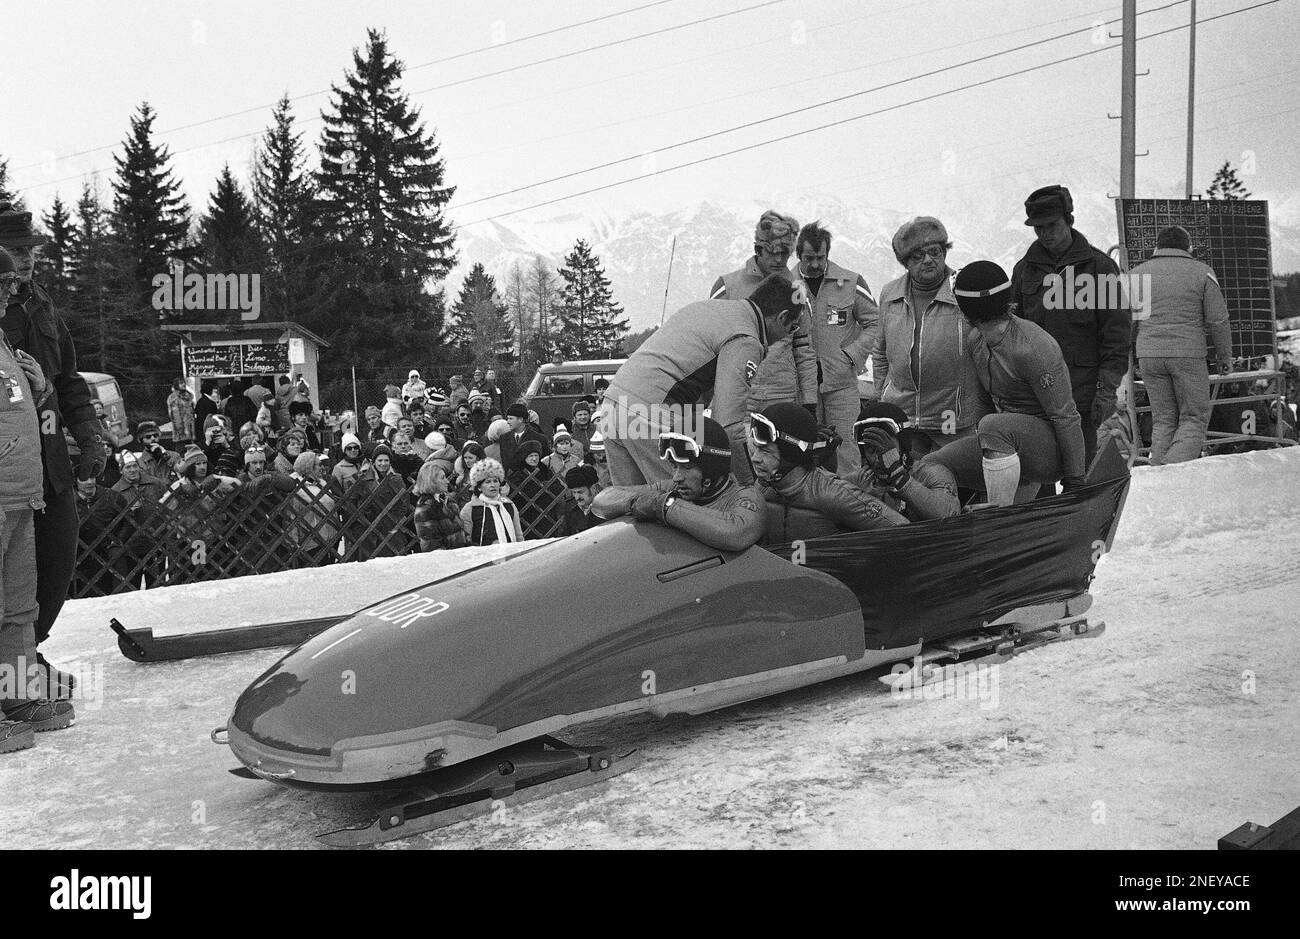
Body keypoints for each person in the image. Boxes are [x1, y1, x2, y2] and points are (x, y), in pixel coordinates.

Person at [1, 214, 107, 702]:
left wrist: (90, 435)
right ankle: (13, 683)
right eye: (15, 250)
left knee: (54, 564)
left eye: (30, 250)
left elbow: (68, 380)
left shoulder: (43, 304)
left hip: (46, 459)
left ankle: (24, 665)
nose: (26, 259)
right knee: (10, 584)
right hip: (7, 465)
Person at [601, 273, 804, 487]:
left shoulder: (707, 308)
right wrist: (748, 487)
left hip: (613, 402)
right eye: (793, 327)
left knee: (631, 506)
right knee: (683, 501)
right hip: (651, 411)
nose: (789, 334)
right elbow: (729, 425)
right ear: (782, 318)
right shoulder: (746, 339)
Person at [923, 260, 1086, 506]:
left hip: (1050, 453)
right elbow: (982, 404)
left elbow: (1065, 416)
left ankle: (999, 515)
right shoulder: (976, 341)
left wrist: (1075, 480)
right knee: (931, 464)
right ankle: (949, 517)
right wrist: (986, 451)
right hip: (1002, 443)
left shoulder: (1033, 347)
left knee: (993, 425)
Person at [1009, 185, 1131, 462]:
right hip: (1035, 395)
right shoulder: (1023, 270)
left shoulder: (1099, 268)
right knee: (1037, 473)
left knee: (1081, 473)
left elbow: (1117, 333)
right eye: (1038, 228)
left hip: (1083, 397)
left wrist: (1106, 389)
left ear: (1069, 220)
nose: (1046, 234)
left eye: (1052, 225)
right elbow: (1012, 332)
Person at [0, 306, 76, 748]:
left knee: (18, 608)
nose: (9, 296)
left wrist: (41, 389)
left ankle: (15, 696)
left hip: (20, 496)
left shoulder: (5, 346)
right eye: (2, 285)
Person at [872, 216, 989, 450]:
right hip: (903, 417)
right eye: (918, 255)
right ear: (905, 262)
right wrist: (881, 395)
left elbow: (988, 350)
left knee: (954, 480)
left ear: (945, 252)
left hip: (952, 418)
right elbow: (880, 352)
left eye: (935, 252)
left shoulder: (964, 291)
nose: (928, 260)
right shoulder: (890, 294)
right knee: (910, 481)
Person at [1128, 225, 1233, 464]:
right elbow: (1218, 320)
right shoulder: (1202, 272)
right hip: (1188, 354)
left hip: (1149, 356)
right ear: (1188, 247)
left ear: (1157, 246)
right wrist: (1224, 357)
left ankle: (1159, 470)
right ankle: (1171, 470)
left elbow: (1126, 323)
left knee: (1163, 419)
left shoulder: (1136, 275)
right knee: (1194, 418)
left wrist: (1133, 356)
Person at [592, 417, 766, 552]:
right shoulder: (672, 490)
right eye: (674, 467)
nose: (676, 477)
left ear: (711, 471)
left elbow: (735, 533)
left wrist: (667, 506)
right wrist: (641, 502)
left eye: (686, 467)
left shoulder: (746, 496)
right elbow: (603, 499)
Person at [791, 222, 881, 475]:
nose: (816, 264)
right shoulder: (786, 285)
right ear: (799, 255)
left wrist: (851, 355)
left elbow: (876, 323)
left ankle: (851, 504)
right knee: (806, 452)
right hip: (801, 388)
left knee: (847, 451)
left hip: (842, 386)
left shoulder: (851, 282)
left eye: (821, 257)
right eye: (809, 258)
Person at [710, 210, 818, 416]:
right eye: (772, 252)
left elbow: (803, 348)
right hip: (738, 394)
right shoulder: (728, 286)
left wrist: (810, 402)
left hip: (782, 395)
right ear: (758, 249)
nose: (778, 259)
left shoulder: (798, 290)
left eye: (784, 253)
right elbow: (710, 347)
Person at [747, 404, 906, 539]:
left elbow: (904, 531)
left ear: (791, 453)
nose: (755, 458)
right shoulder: (763, 485)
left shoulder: (834, 494)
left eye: (765, 452)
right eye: (755, 450)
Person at [848, 402, 960, 522]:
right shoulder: (858, 481)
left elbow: (949, 515)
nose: (878, 459)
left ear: (903, 445)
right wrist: (827, 464)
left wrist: (900, 478)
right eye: (871, 450)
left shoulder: (933, 474)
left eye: (885, 449)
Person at [460, 458, 525, 545]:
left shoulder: (509, 505)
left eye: (495, 481)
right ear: (479, 487)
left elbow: (519, 536)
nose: (492, 485)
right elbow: (466, 541)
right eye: (487, 482)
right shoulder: (470, 508)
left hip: (511, 554)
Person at [413, 462, 469, 551]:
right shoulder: (425, 510)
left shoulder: (448, 502)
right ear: (431, 481)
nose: (447, 481)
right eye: (442, 478)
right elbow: (432, 546)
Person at [500, 402, 549, 472]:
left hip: (533, 480)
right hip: (511, 480)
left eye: (511, 419)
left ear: (520, 419)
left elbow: (544, 464)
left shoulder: (540, 439)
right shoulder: (504, 438)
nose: (507, 422)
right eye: (507, 418)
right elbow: (505, 464)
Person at [564, 464, 600, 534]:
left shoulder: (607, 506)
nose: (577, 497)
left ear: (593, 488)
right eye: (574, 492)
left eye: (580, 492)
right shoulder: (570, 510)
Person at [167, 378, 196, 448]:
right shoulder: (174, 398)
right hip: (181, 432)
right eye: (181, 383)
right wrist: (181, 432)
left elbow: (191, 414)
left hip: (190, 430)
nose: (183, 384)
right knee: (181, 450)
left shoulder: (188, 396)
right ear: (176, 385)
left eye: (184, 383)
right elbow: (175, 417)